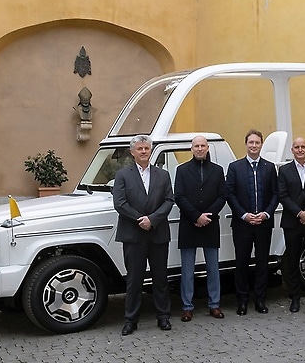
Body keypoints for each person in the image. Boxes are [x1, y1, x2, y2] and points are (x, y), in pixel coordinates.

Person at [113, 134, 174, 335]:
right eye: (139, 149)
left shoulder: (162, 175)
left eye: (146, 148)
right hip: (134, 234)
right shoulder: (122, 175)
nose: (144, 152)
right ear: (132, 152)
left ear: (151, 150)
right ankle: (131, 320)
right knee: (134, 279)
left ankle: (163, 317)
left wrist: (153, 219)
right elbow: (119, 203)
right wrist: (141, 219)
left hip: (157, 233)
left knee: (160, 278)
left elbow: (168, 201)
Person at [172, 135, 226, 322]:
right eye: (197, 146)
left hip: (210, 223)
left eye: (203, 145)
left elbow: (222, 196)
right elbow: (179, 196)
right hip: (189, 223)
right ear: (191, 149)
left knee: (213, 267)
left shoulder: (218, 171)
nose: (200, 149)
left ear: (208, 148)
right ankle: (187, 306)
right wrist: (196, 216)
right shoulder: (182, 170)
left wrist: (207, 216)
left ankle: (215, 304)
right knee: (187, 270)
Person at [225, 129, 279, 316]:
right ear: (246, 144)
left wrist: (266, 213)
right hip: (242, 224)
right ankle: (242, 301)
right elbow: (230, 194)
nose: (254, 145)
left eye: (257, 142)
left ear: (261, 144)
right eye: (251, 142)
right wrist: (244, 215)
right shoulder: (235, 167)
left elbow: (275, 194)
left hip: (263, 223)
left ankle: (260, 299)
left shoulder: (269, 167)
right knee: (242, 263)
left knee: (262, 262)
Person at [277, 136, 305, 313]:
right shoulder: (284, 170)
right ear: (292, 150)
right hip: (292, 221)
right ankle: (294, 297)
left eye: (303, 147)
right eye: (297, 147)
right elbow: (283, 195)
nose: (300, 150)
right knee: (292, 261)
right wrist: (299, 213)